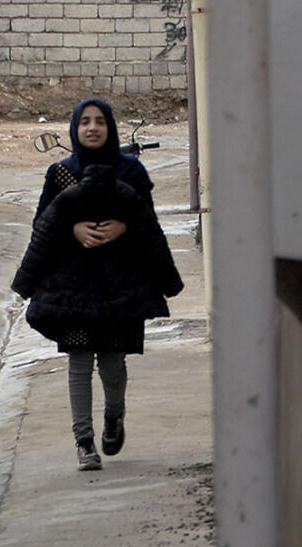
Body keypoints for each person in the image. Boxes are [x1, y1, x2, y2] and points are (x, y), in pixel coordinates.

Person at [10, 99, 184, 471]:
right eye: (85, 122)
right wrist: (72, 228)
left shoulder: (131, 173)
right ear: (74, 129)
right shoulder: (61, 173)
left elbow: (148, 224)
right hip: (73, 284)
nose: (92, 128)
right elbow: (43, 224)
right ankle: (84, 441)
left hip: (120, 283)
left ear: (111, 128)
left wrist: (124, 227)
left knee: (111, 363)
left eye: (99, 121)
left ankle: (114, 417)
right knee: (78, 361)